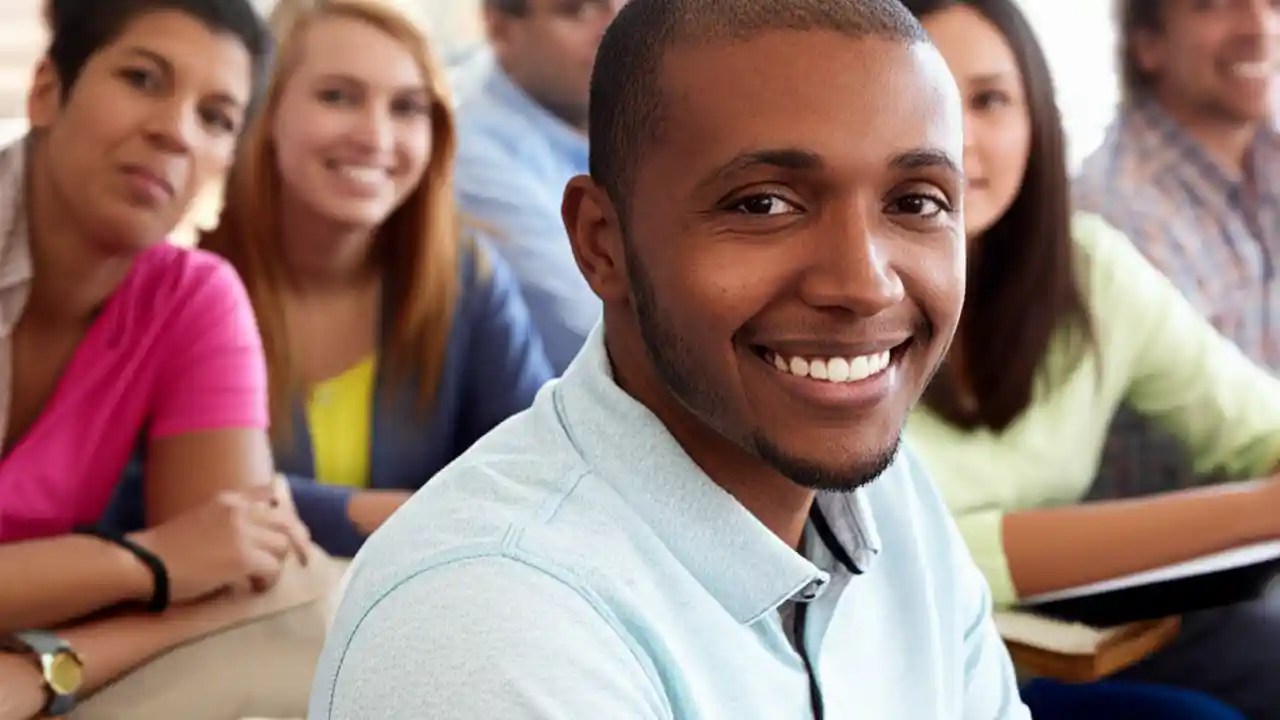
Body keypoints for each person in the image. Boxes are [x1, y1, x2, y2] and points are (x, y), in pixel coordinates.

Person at [309, 0, 1032, 717]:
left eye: (917, 202)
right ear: (601, 243)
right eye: (763, 205)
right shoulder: (487, 620)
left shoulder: (893, 498)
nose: (863, 285)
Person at [897, 0, 1280, 717]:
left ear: (1037, 120)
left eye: (989, 100)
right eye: (924, 99)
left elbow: (1263, 427)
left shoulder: (1089, 268)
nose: (958, 137)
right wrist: (1256, 512)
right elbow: (928, 547)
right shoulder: (841, 301)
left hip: (1025, 664)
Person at [0, 1, 312, 718]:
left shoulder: (193, 298)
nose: (174, 130)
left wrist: (48, 668)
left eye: (216, 118)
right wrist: (147, 561)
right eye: (143, 79)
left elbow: (231, 583)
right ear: (48, 89)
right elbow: (185, 564)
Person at [198, 0, 552, 558]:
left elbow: (539, 476)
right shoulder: (192, 279)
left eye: (407, 108)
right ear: (265, 111)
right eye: (338, 96)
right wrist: (376, 513)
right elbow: (173, 500)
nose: (375, 136)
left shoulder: (468, 277)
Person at [1074, 0, 1280, 499]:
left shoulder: (1267, 152)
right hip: (1201, 554)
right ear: (1148, 45)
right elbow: (1226, 452)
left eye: (1273, 3)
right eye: (1216, 6)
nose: (1260, 28)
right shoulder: (1118, 213)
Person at [449, 0, 624, 372]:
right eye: (578, 11)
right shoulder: (472, 156)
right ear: (500, 30)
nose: (618, 28)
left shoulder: (633, 119)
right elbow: (596, 332)